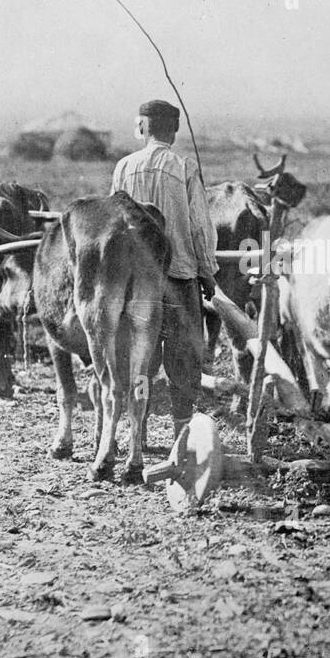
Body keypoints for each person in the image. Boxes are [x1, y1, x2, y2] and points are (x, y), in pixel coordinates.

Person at [110, 100, 219, 437]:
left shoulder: (124, 167)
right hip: (179, 278)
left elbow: (113, 223)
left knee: (139, 359)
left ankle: (138, 429)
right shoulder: (184, 168)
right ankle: (181, 433)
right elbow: (199, 226)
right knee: (183, 360)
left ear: (143, 127)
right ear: (175, 129)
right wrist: (207, 271)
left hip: (136, 282)